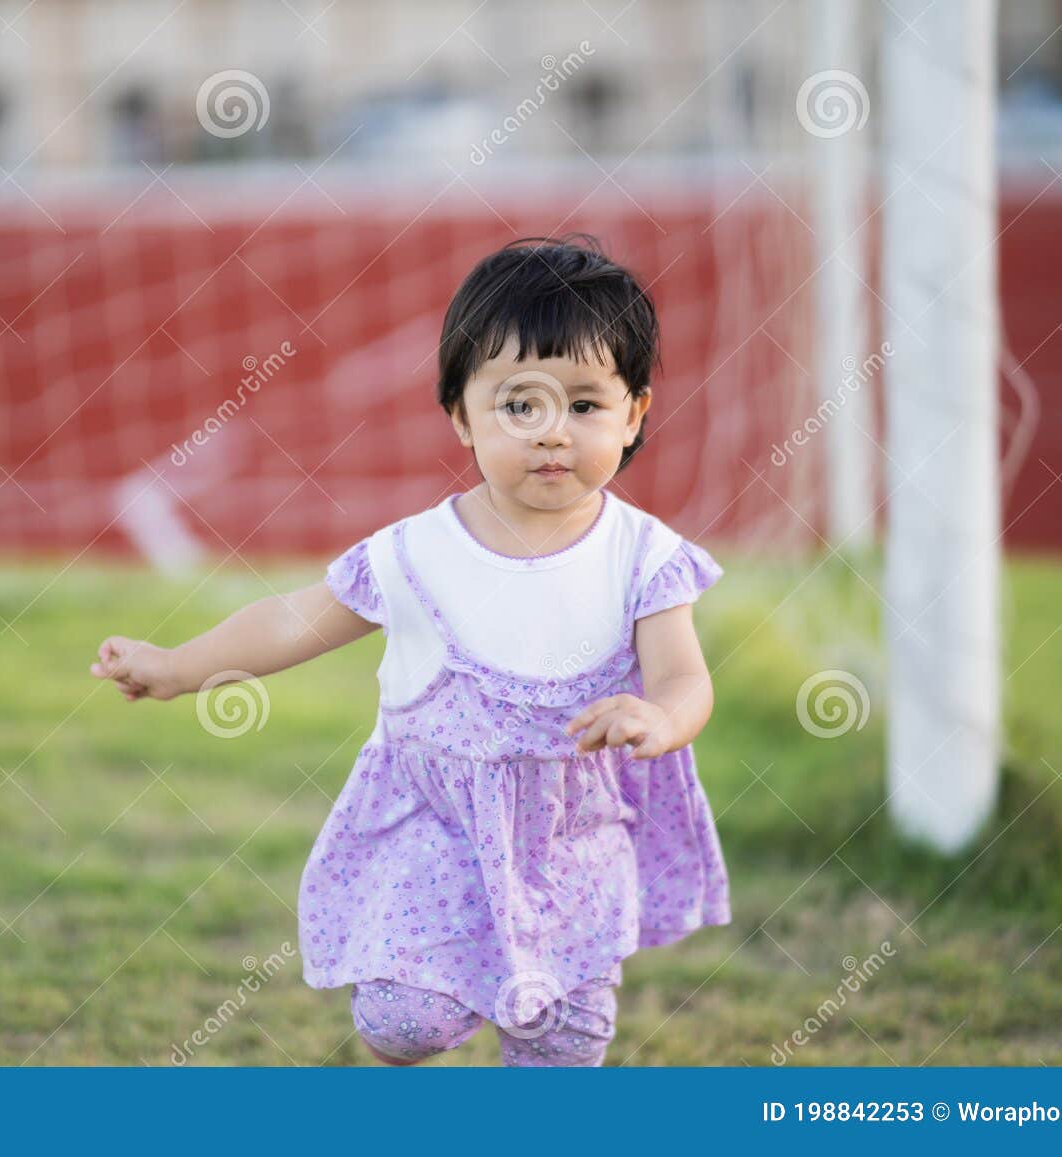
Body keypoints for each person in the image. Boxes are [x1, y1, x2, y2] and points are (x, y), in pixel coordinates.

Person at [89, 234, 731, 1066]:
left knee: (560, 1051)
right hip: (436, 827)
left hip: (571, 843)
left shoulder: (644, 557)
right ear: (461, 413)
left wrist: (661, 715)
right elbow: (293, 620)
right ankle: (434, 991)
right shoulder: (414, 552)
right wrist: (176, 667)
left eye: (583, 405)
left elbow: (685, 676)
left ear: (635, 413)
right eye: (517, 405)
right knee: (403, 1022)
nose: (550, 434)